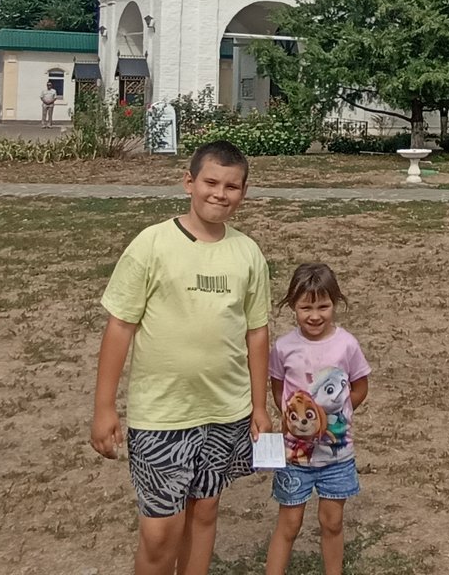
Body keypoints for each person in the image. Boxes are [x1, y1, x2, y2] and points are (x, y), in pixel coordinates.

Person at [89, 141, 273, 575]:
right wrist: (103, 408)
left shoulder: (248, 253)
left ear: (243, 193)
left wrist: (260, 406)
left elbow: (257, 332)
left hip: (225, 411)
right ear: (189, 182)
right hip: (162, 414)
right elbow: (120, 326)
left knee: (205, 511)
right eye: (210, 182)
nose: (219, 193)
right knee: (160, 532)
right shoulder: (151, 244)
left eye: (232, 186)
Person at [265, 263, 371, 575]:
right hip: (293, 456)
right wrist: (295, 421)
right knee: (289, 523)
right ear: (292, 306)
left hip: (337, 455)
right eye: (305, 307)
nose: (315, 315)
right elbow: (277, 388)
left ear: (335, 304)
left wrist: (335, 413)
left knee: (332, 521)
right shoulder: (284, 347)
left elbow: (360, 386)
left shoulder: (346, 344)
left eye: (323, 306)